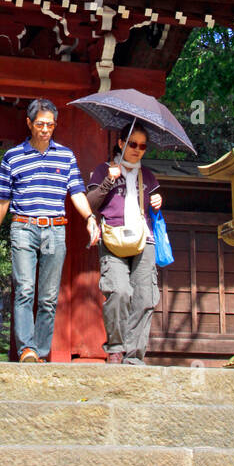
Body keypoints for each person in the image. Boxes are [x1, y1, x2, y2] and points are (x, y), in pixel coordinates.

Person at [0, 99, 99, 362]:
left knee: (48, 296)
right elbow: (2, 199)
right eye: (40, 124)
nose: (45, 129)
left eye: (50, 125)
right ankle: (27, 349)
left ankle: (41, 352)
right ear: (29, 124)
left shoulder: (66, 156)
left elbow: (77, 191)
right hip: (23, 226)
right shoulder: (13, 156)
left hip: (55, 229)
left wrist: (90, 217)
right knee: (24, 289)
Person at [87, 126, 162, 365]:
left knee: (144, 297)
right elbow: (91, 203)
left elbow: (153, 208)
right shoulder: (103, 170)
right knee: (119, 291)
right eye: (132, 144)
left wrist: (158, 202)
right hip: (113, 238)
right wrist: (110, 179)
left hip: (144, 238)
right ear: (121, 143)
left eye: (142, 146)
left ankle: (134, 354)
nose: (137, 150)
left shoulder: (148, 177)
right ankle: (116, 348)